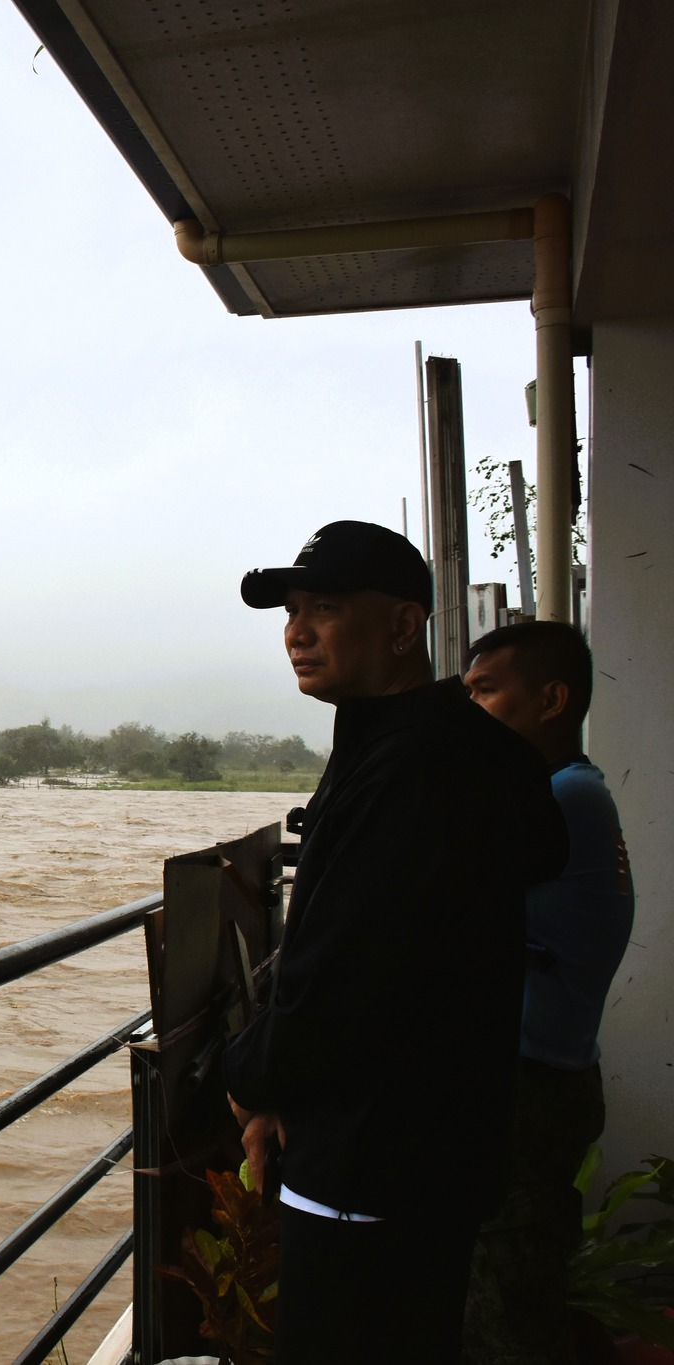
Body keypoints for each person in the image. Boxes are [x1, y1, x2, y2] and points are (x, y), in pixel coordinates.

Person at [221, 521, 568, 1364]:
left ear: (404, 626)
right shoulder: (444, 747)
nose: (298, 631)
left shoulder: (410, 769)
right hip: (428, 1155)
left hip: (370, 1168)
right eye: (292, 610)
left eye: (327, 607)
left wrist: (247, 1077)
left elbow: (340, 979)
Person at [461, 621, 635, 1364]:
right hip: (542, 1076)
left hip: (528, 1090)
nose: (472, 710)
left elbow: (422, 881)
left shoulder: (558, 800)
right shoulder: (570, 792)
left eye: (487, 691)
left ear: (552, 699)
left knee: (507, 1315)